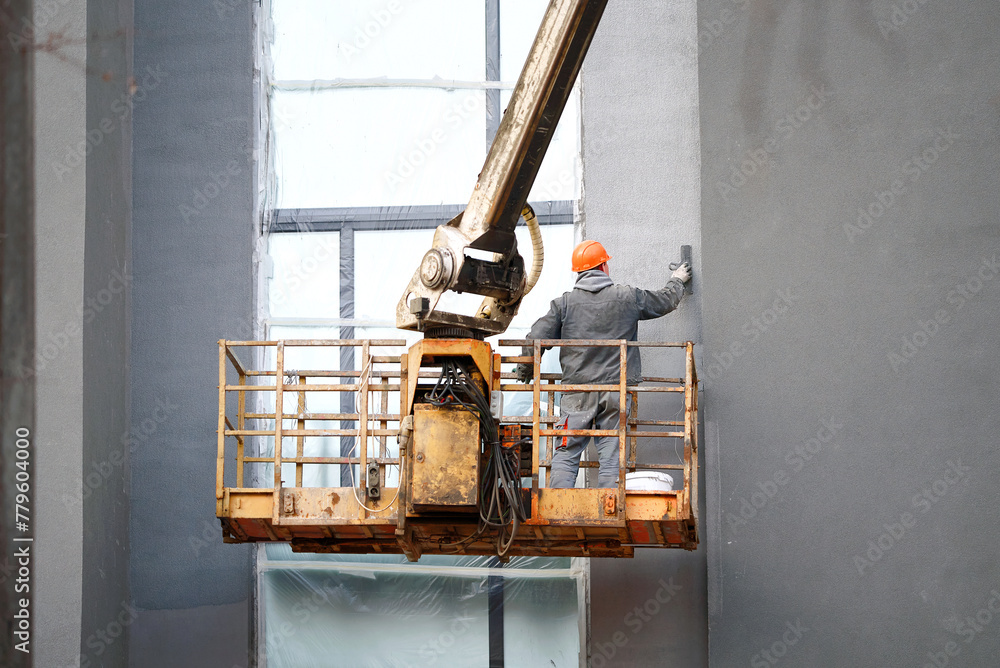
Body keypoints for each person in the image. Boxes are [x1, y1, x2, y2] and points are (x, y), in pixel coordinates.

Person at [516, 240, 691, 488]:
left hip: (576, 393)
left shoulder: (564, 304)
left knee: (567, 450)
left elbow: (536, 339)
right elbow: (664, 301)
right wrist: (677, 279)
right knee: (611, 453)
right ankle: (609, 506)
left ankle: (558, 506)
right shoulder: (627, 297)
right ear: (604, 266)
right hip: (615, 391)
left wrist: (525, 368)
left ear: (578, 273)